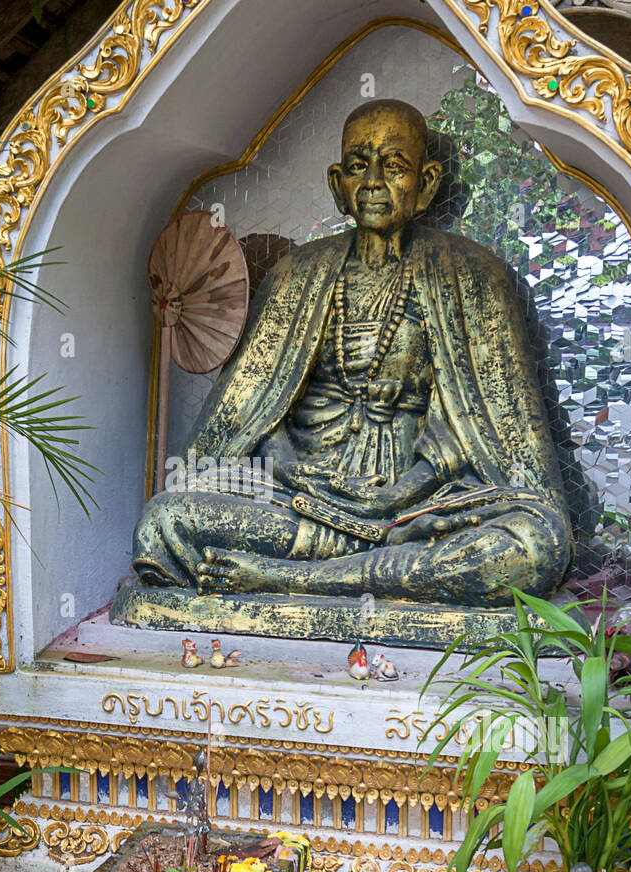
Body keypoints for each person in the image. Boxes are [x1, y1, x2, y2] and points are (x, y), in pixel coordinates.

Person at [120, 99, 571, 610]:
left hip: (418, 511)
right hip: (302, 504)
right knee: (164, 520)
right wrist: (291, 471)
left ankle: (285, 579)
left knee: (534, 546)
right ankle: (360, 570)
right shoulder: (299, 274)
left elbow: (491, 433)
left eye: (394, 167)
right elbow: (254, 411)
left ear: (425, 184)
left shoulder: (469, 275)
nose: (374, 181)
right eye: (359, 166)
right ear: (338, 185)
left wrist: (400, 495)